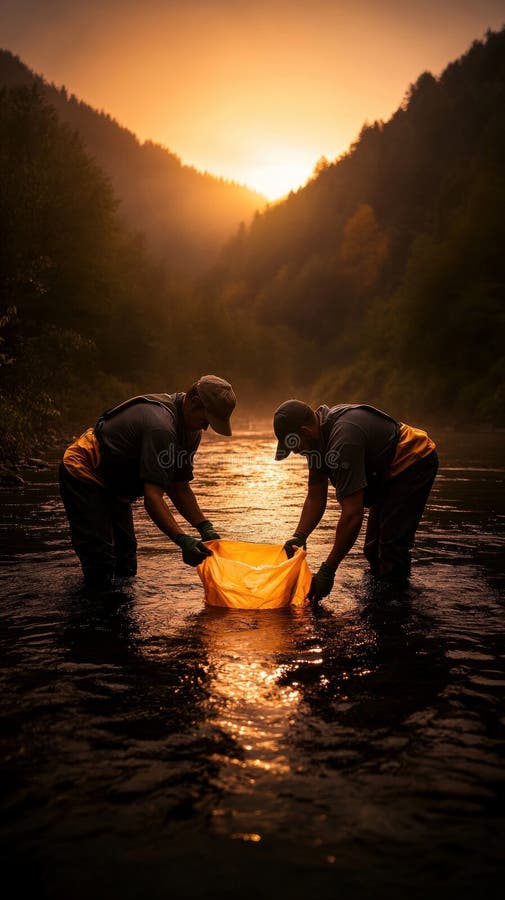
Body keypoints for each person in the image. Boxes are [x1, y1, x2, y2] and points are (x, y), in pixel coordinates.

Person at [59, 375, 236, 589]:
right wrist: (182, 540)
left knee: (126, 562)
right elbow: (153, 497)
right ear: (194, 401)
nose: (207, 427)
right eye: (206, 419)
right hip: (85, 470)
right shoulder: (160, 426)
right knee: (100, 561)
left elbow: (179, 486)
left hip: (117, 482)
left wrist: (205, 527)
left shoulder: (192, 432)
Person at [273, 400, 438, 603]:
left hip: (414, 459)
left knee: (391, 548)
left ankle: (398, 613)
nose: (296, 452)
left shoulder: (343, 442)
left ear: (305, 432)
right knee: (373, 549)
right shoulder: (314, 444)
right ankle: (382, 600)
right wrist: (299, 536)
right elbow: (316, 496)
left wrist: (328, 569)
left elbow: (352, 515)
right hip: (385, 470)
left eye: (294, 446)